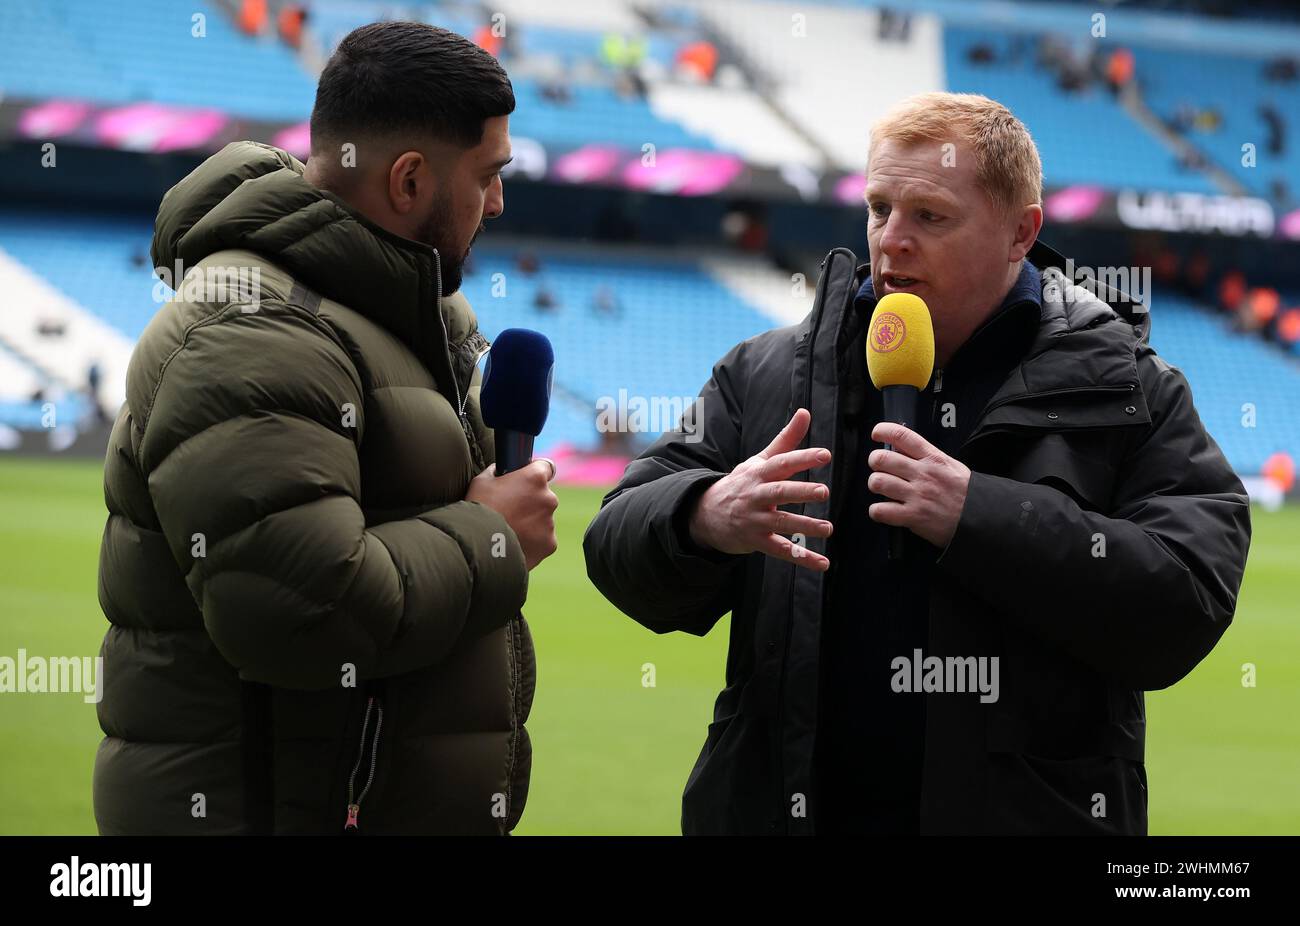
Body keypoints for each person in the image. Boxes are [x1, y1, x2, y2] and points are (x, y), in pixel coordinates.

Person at [584, 91, 1251, 835]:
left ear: (1020, 234)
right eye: (878, 209)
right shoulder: (770, 374)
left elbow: (1187, 600)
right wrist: (704, 515)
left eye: (929, 216)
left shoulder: (1126, 388)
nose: (892, 240)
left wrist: (980, 513)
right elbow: (614, 543)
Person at [94, 22, 557, 835]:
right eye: (489, 175)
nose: (498, 201)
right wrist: (489, 538)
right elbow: (303, 615)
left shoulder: (414, 306)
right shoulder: (250, 331)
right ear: (409, 180)